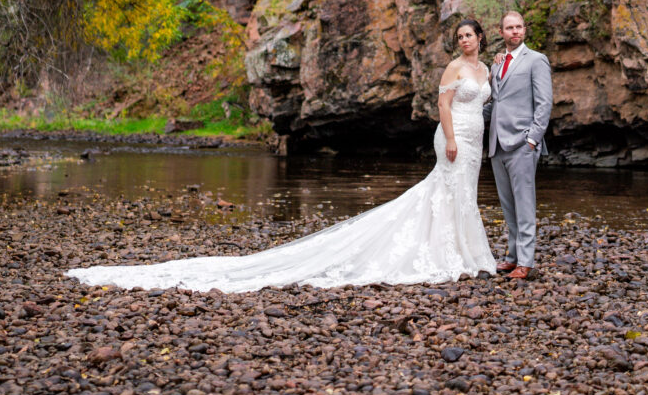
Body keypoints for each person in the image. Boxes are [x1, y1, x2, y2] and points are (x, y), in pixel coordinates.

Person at [65, 19, 497, 292]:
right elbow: (442, 106)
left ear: (480, 38)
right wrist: (452, 138)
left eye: (469, 35)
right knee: (446, 188)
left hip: (478, 136)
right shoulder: (454, 69)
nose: (464, 41)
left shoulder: (484, 69)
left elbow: (488, 101)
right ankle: (449, 254)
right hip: (456, 135)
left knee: (463, 193)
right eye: (458, 36)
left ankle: (467, 253)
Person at [485, 10, 552, 280]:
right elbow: (494, 105)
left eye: (519, 27)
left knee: (524, 204)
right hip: (497, 144)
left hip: (523, 143)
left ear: (524, 30)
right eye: (510, 28)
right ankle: (512, 257)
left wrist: (533, 138)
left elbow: (544, 102)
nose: (515, 31)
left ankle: (526, 262)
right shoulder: (496, 65)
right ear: (501, 32)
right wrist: (465, 116)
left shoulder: (537, 60)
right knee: (508, 205)